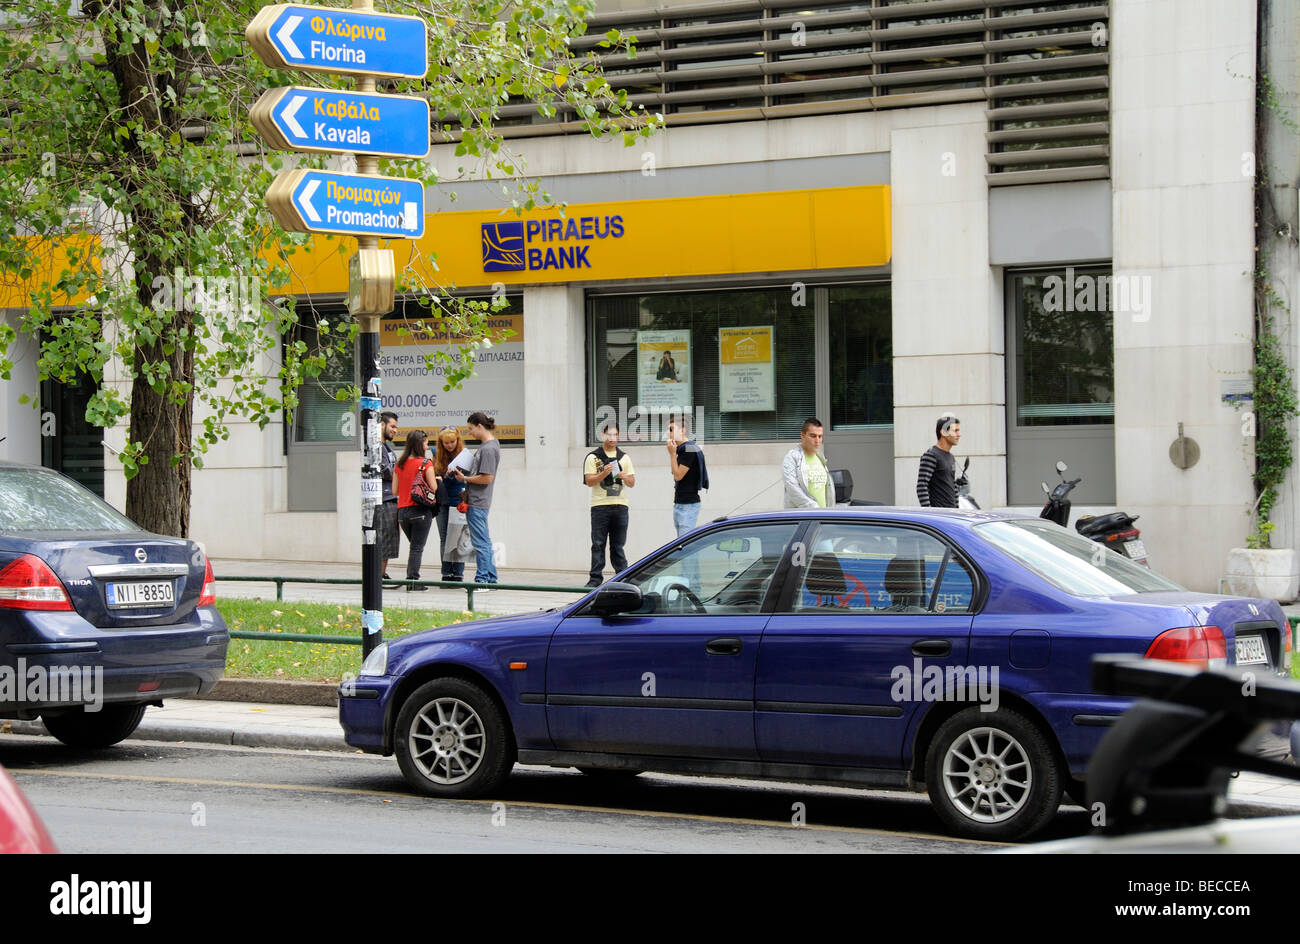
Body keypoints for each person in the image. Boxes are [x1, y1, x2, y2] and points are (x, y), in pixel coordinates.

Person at [584, 421, 636, 587]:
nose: (612, 438)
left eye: (615, 435)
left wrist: (623, 476)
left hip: (620, 505)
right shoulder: (593, 457)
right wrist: (604, 473)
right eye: (609, 435)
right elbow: (589, 481)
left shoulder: (624, 457)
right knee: (598, 544)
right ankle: (595, 579)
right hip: (600, 506)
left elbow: (632, 482)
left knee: (618, 545)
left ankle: (622, 577)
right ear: (602, 436)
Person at [453, 412, 501, 584]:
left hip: (478, 501)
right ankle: (490, 577)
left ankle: (483, 579)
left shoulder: (488, 449)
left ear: (480, 426)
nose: (470, 432)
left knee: (480, 542)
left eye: (471, 428)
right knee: (483, 540)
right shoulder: (490, 446)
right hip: (478, 500)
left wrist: (464, 479)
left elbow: (487, 477)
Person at [393, 430, 437, 590]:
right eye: (425, 443)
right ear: (419, 444)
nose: (427, 445)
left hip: (402, 513)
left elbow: (394, 491)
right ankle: (412, 581)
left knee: (415, 547)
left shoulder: (399, 464)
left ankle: (412, 579)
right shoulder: (426, 463)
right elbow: (434, 487)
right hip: (420, 511)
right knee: (417, 548)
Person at [433, 425, 467, 582]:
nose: (449, 445)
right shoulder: (435, 454)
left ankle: (458, 573)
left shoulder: (464, 455)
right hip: (442, 500)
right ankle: (446, 573)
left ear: (457, 440)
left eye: (452, 441)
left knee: (459, 537)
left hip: (458, 499)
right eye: (446, 442)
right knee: (445, 538)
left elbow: (468, 477)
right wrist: (444, 475)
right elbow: (433, 477)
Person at [666, 415, 708, 537]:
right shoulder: (683, 449)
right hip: (680, 503)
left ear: (682, 430)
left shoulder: (688, 450)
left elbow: (678, 476)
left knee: (686, 547)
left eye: (671, 429)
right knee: (681, 546)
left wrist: (672, 454)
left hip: (688, 505)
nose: (668, 433)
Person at [782, 418, 833, 508]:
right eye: (813, 436)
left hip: (824, 516)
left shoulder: (820, 457)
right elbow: (792, 488)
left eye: (820, 436)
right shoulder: (792, 458)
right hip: (802, 517)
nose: (817, 440)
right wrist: (813, 509)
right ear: (802, 435)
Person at [917, 413, 961, 508]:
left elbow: (953, 486)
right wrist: (929, 512)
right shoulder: (931, 455)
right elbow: (922, 486)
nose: (959, 434)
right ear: (943, 432)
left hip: (951, 514)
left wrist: (957, 510)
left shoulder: (951, 457)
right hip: (939, 516)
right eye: (955, 431)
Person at [377, 411, 401, 581]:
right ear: (382, 425)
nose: (395, 430)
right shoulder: (376, 447)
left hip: (391, 497)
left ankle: (381, 573)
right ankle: (378, 575)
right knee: (386, 537)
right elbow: (386, 471)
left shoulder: (387, 447)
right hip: (384, 498)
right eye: (392, 426)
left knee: (389, 537)